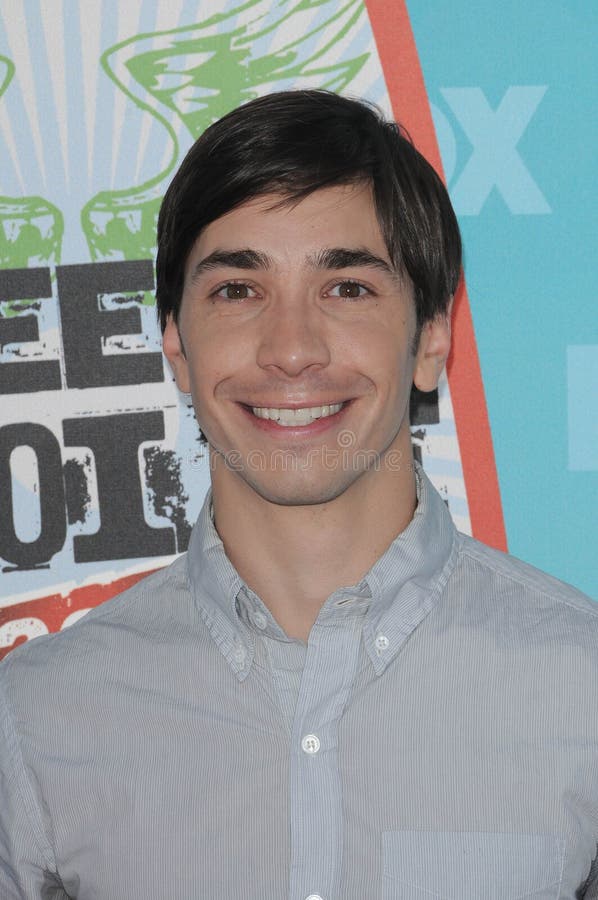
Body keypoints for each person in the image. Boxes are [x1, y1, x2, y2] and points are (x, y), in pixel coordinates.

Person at [1, 90, 597, 900]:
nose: (290, 351)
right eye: (238, 290)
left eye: (347, 288)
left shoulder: (583, 689)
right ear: (174, 340)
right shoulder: (35, 720)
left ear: (431, 337)